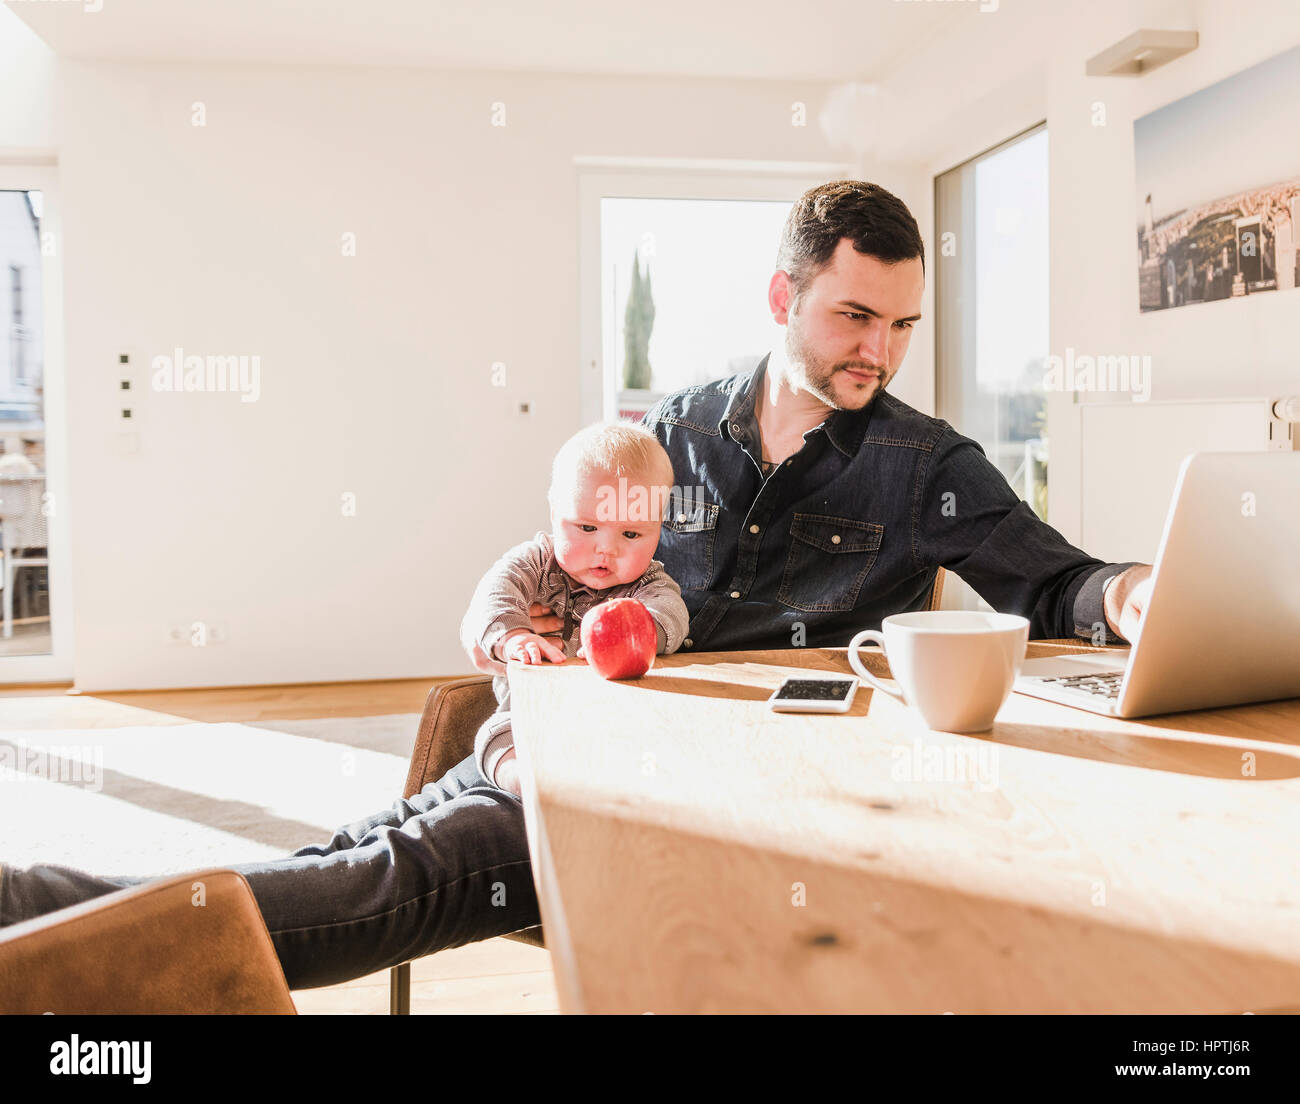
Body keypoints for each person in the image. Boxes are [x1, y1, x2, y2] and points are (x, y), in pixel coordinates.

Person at [0, 180, 1153, 992]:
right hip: (570, 730)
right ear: (781, 298)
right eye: (854, 315)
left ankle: (61, 936)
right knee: (352, 857)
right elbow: (577, 553)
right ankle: (54, 921)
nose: (880, 351)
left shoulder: (925, 463)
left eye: (900, 324)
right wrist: (519, 636)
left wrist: (1131, 595)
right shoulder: (682, 425)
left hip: (704, 795)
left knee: (389, 878)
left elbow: (1055, 584)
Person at [461, 420, 689, 797]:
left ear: (658, 529)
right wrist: (513, 636)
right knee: (497, 737)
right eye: (586, 527)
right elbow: (496, 591)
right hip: (528, 719)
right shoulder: (537, 561)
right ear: (554, 513)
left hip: (614, 724)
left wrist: (640, 627)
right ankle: (530, 784)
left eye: (630, 534)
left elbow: (673, 613)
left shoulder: (647, 584)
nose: (607, 549)